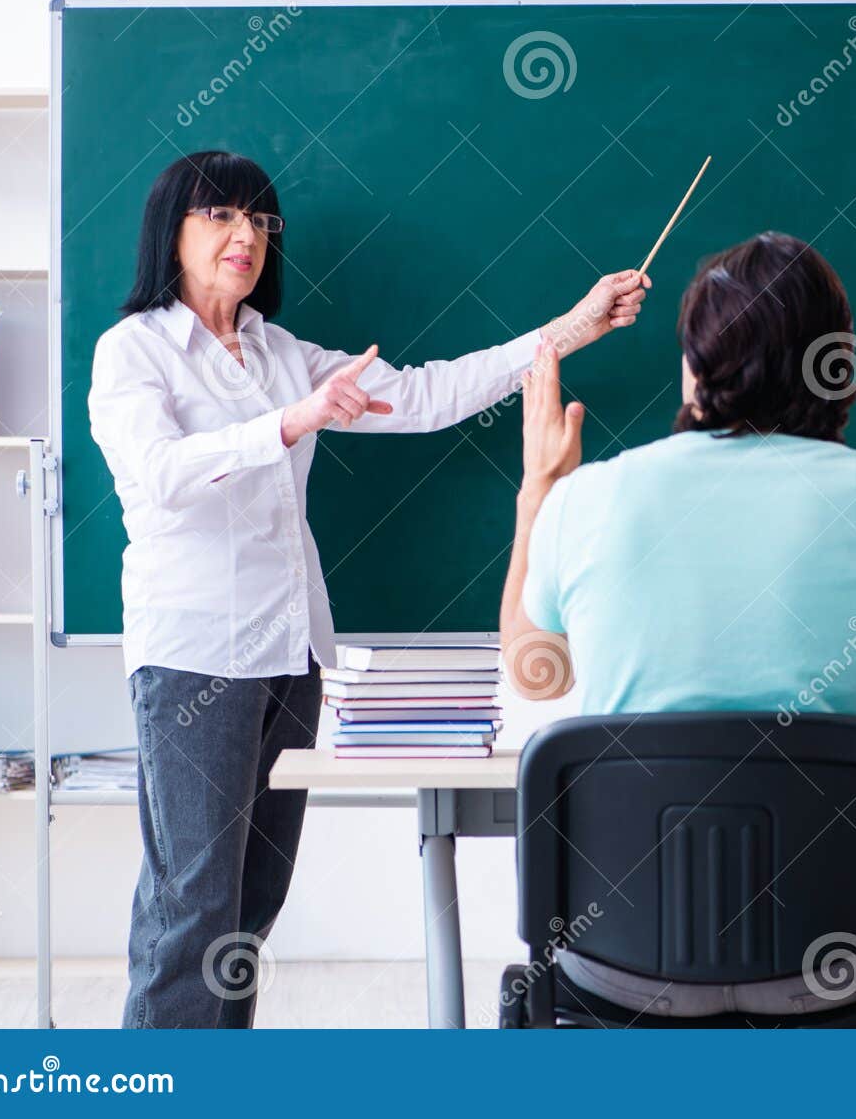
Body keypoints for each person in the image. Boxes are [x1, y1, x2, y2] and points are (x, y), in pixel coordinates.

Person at [88, 150, 649, 1027]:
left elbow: (428, 394)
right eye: (222, 217)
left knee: (250, 909)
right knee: (191, 912)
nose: (246, 237)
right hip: (195, 657)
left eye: (261, 222)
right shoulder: (134, 351)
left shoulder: (280, 352)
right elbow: (156, 476)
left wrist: (574, 329)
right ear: (172, 230)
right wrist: (289, 421)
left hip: (293, 652)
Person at [497, 230, 856, 1015]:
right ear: (837, 365)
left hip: (620, 968)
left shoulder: (587, 498)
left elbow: (535, 670)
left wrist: (539, 484)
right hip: (834, 968)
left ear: (693, 363)